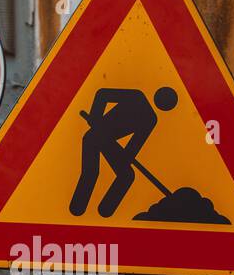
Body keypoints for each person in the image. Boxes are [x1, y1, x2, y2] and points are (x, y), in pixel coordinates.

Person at [70, 85, 178, 218]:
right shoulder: (137, 97)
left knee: (126, 175)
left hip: (108, 142)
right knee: (91, 172)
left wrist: (126, 156)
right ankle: (77, 208)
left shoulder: (150, 119)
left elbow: (134, 146)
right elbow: (102, 94)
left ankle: (105, 211)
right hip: (93, 136)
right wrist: (96, 115)